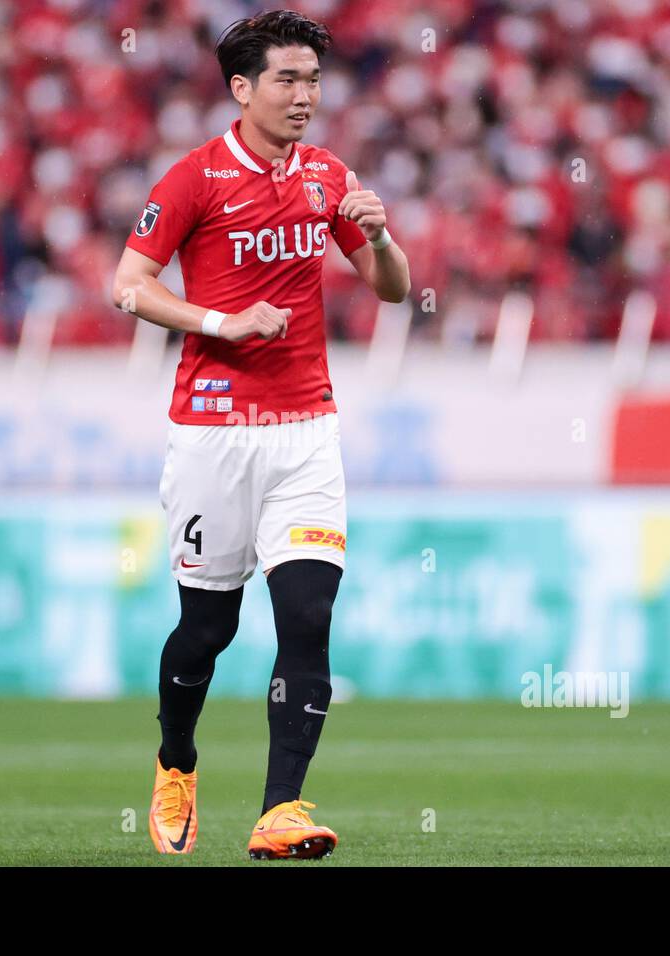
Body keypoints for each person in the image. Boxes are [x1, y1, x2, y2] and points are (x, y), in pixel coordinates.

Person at [110, 9, 410, 859]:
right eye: (287, 78)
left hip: (307, 430)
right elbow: (127, 285)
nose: (305, 95)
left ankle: (282, 809)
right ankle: (176, 761)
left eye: (313, 79)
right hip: (213, 432)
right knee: (207, 630)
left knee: (308, 619)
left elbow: (394, 288)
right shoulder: (194, 179)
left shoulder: (327, 178)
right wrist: (221, 321)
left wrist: (380, 237)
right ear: (242, 88)